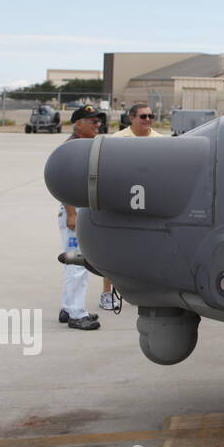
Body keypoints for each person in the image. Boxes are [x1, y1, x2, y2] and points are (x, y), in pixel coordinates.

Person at [101, 102, 161, 310]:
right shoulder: (117, 141)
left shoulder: (161, 141)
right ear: (132, 118)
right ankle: (108, 293)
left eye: (150, 116)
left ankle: (147, 291)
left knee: (150, 248)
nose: (147, 121)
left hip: (150, 202)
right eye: (143, 117)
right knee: (114, 249)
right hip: (123, 201)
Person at [57, 105, 103, 330]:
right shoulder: (71, 148)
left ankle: (68, 308)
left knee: (75, 264)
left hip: (80, 211)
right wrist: (72, 214)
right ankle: (77, 314)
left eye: (98, 121)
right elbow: (64, 183)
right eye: (91, 121)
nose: (97, 124)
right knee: (78, 264)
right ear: (78, 124)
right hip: (74, 212)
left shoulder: (85, 146)